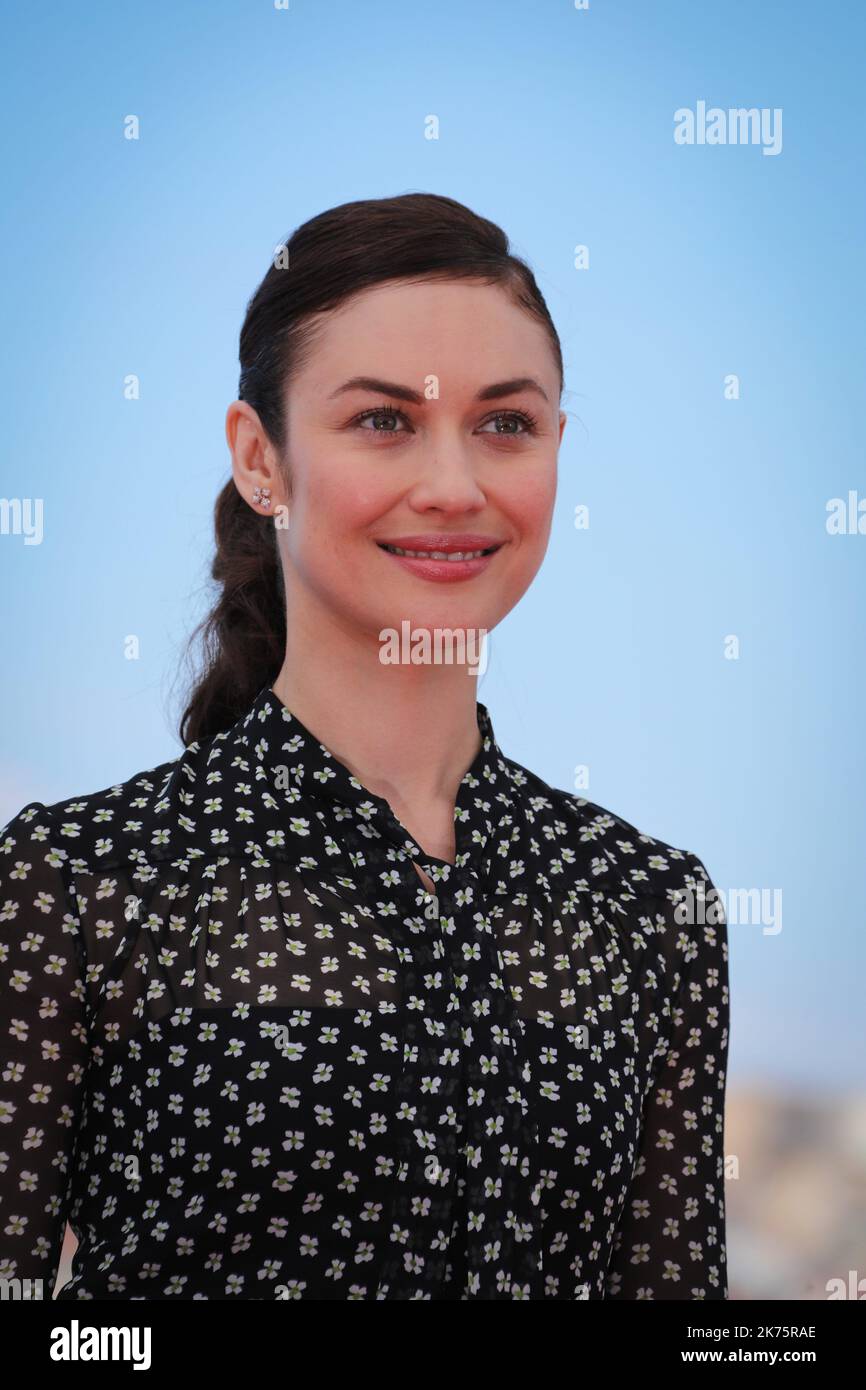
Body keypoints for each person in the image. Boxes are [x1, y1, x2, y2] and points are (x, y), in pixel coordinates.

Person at [0, 192, 729, 1300]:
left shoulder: (649, 905)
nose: (452, 485)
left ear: (556, 451)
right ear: (261, 459)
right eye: (383, 420)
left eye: (505, 423)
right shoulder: (80, 882)